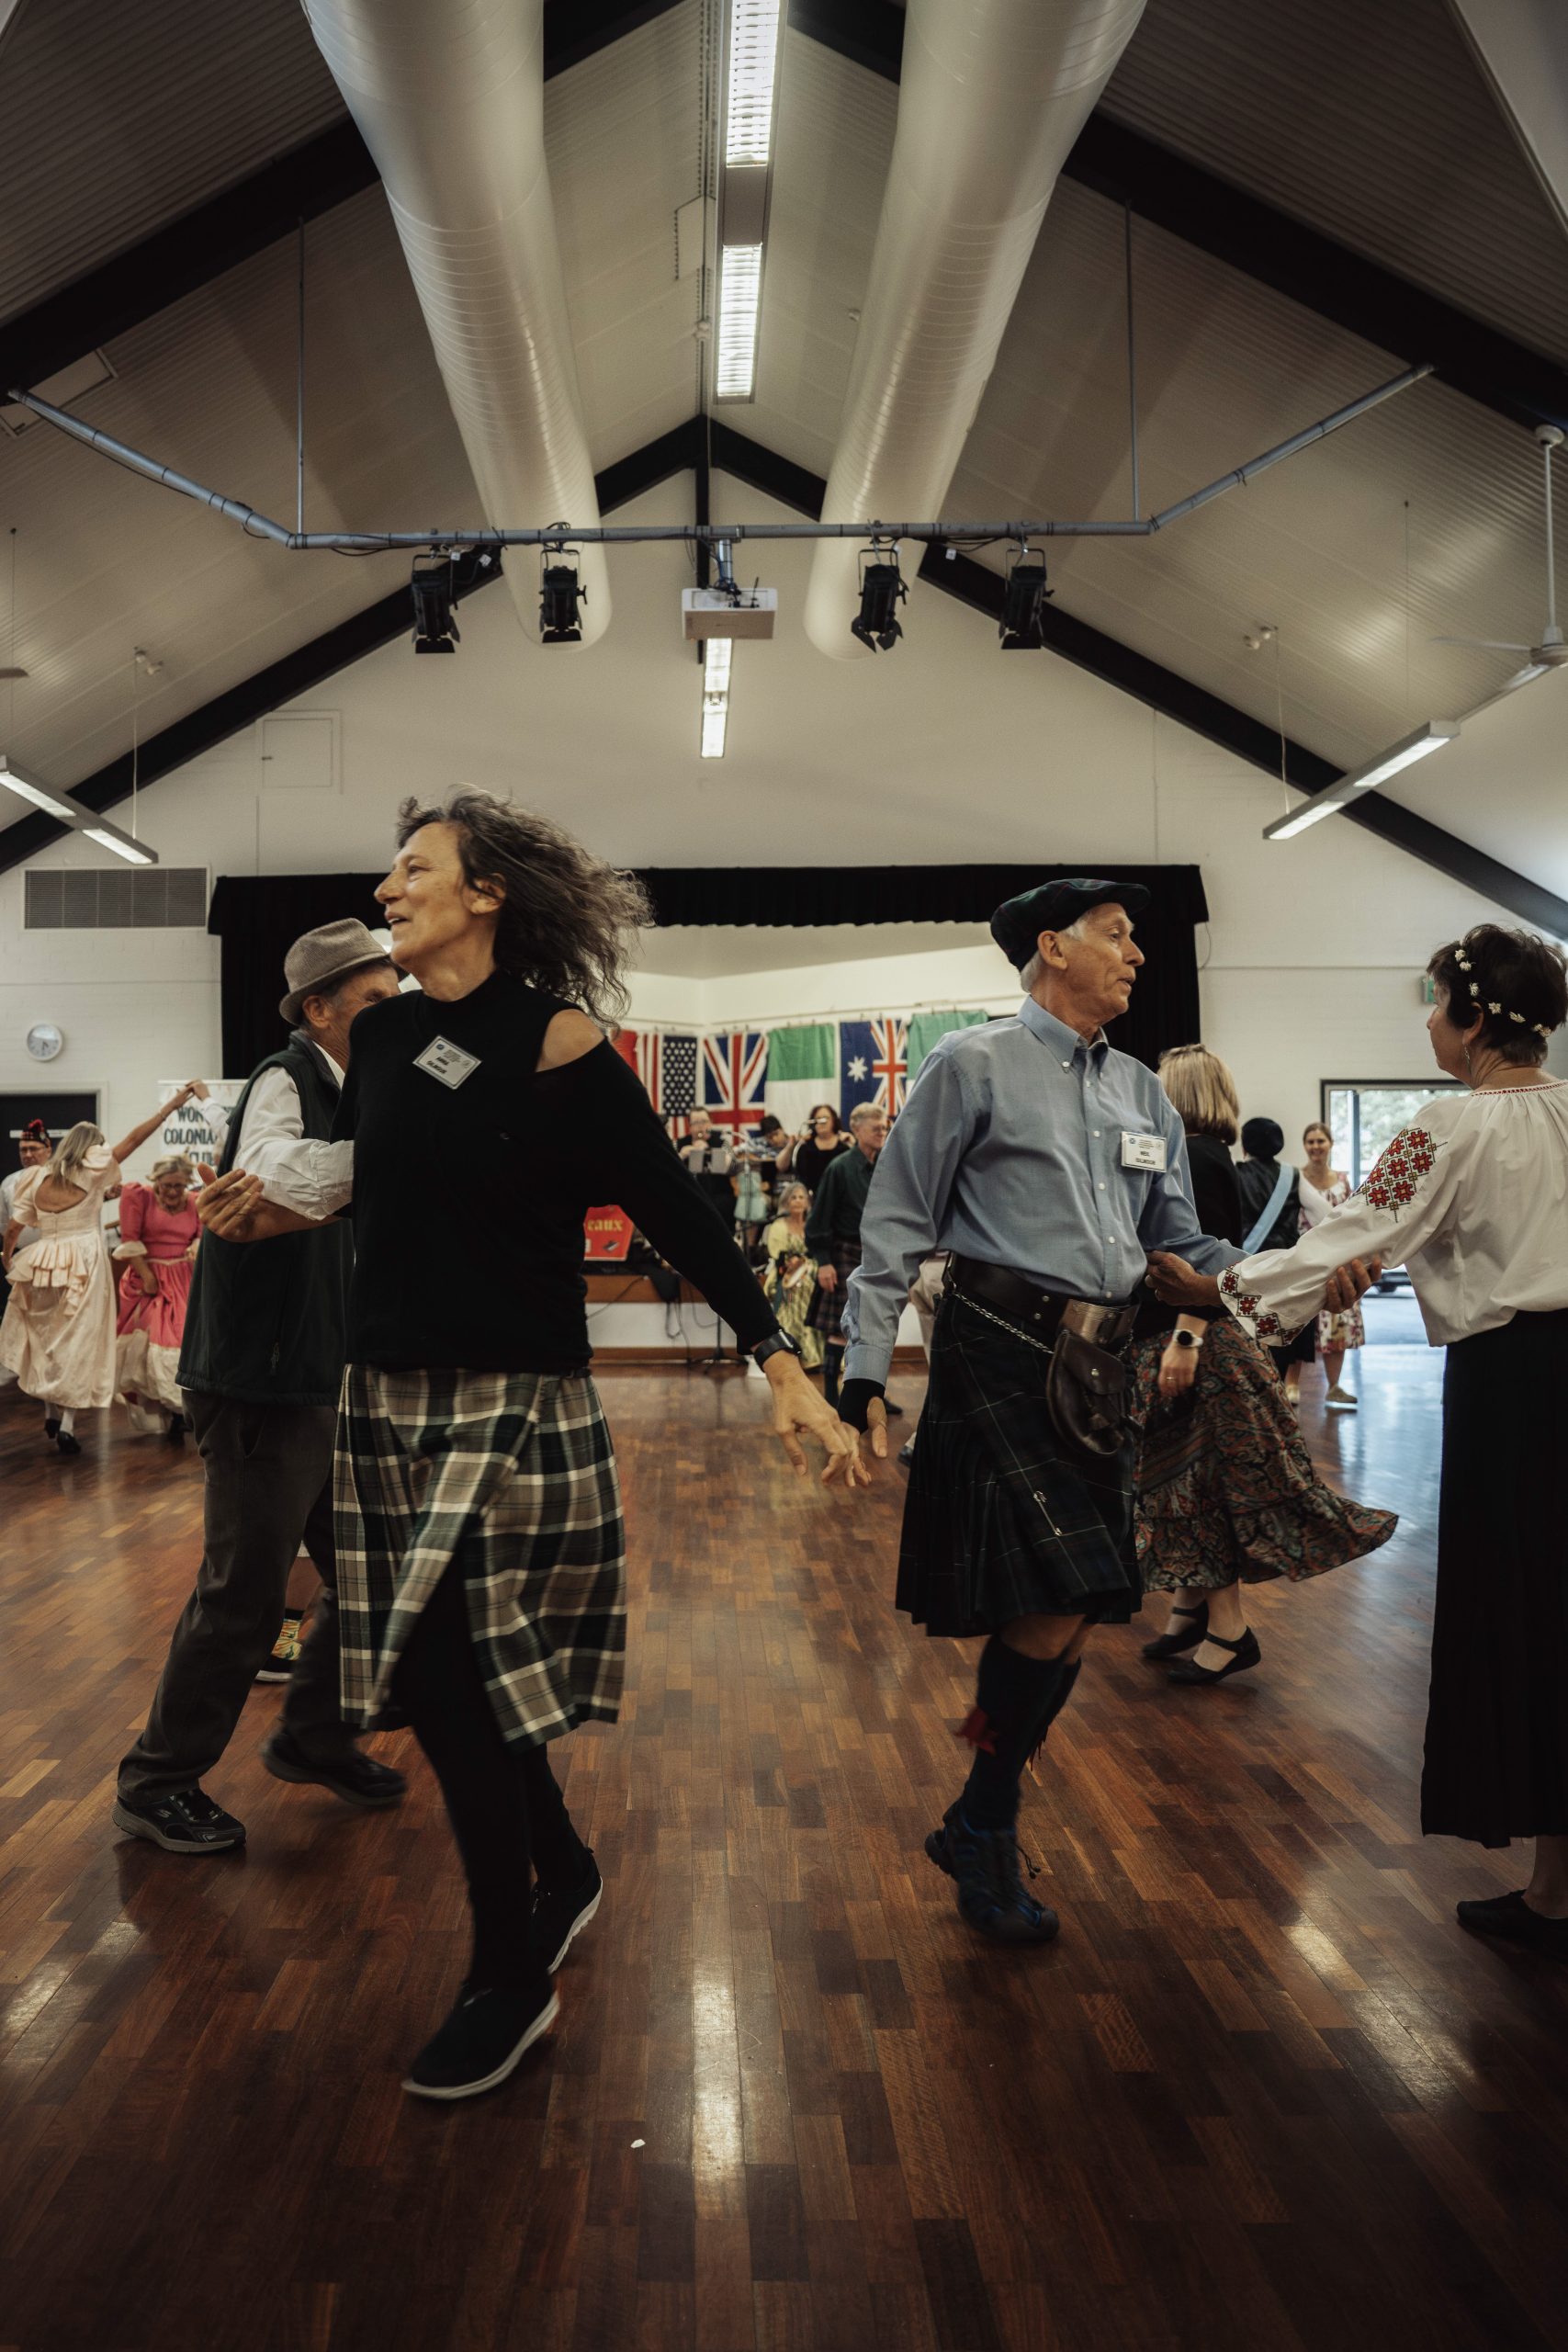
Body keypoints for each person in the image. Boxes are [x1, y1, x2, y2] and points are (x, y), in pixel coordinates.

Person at [196, 790, 862, 2100]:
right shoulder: (379, 1035)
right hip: (384, 1402)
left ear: (485, 891)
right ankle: (559, 1867)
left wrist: (782, 1366)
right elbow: (365, 1178)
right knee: (463, 1684)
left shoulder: (555, 1044)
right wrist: (272, 1213)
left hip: (513, 1405)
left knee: (444, 1683)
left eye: (412, 868)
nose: (387, 887)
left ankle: (508, 1971)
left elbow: (675, 1209)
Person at [835, 881, 1335, 1949]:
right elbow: (896, 1221)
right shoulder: (970, 1063)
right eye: (1118, 937)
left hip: (1102, 1359)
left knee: (1079, 1604)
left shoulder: (1143, 1093)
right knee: (1062, 1600)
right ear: (1050, 947)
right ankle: (988, 1815)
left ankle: (978, 1803)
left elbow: (1186, 1245)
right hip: (998, 1347)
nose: (1138, 956)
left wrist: (1286, 1277)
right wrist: (862, 1371)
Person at [1149, 922, 1568, 1962]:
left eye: (1436, 1005)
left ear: (1472, 1021)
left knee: (1521, 1613)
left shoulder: (1450, 1125)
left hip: (1516, 1392)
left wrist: (1221, 1288)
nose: (1430, 1022)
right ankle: (1558, 1886)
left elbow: (1353, 1232)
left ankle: (1558, 1891)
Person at [112, 920, 409, 1856]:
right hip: (260, 1383)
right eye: (371, 1005)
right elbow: (284, 1171)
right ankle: (156, 1780)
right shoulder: (288, 1081)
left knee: (372, 1572)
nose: (388, 1022)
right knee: (243, 1590)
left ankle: (314, 1729)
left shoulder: (361, 1090)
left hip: (323, 1378)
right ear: (319, 1010)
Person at [1132, 1046, 1396, 1684]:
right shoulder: (1202, 1155)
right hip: (1197, 1336)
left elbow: (1197, 1264)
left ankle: (1226, 1628)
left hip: (1193, 1340)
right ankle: (1189, 1609)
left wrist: (1186, 1338)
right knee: (1181, 1481)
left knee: (1199, 1483)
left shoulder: (1194, 1156)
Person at [1, 1091, 199, 1454]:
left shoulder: (33, 1179)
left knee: (46, 1336)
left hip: (42, 1259)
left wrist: (7, 1258)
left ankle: (49, 1408)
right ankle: (68, 1424)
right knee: (80, 1340)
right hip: (83, 1259)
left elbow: (13, 1228)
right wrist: (168, 1109)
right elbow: (135, 1139)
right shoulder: (90, 1171)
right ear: (92, 1149)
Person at [806, 1102, 900, 1414]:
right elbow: (818, 1221)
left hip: (876, 1255)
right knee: (838, 1329)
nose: (882, 1133)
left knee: (875, 1330)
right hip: (844, 1253)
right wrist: (824, 1261)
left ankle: (872, 1396)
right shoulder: (840, 1168)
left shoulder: (886, 1168)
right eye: (876, 1129)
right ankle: (832, 1396)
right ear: (856, 1129)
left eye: (885, 1128)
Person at [114, 1153, 201, 1440]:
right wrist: (149, 1277)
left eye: (179, 1186)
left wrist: (196, 1247)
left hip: (182, 1277)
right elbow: (129, 1241)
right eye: (167, 1186)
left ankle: (179, 1413)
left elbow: (199, 1236)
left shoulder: (196, 1202)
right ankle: (167, 1412)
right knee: (150, 1345)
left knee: (180, 1341)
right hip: (148, 1277)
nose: (173, 1192)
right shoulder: (139, 1197)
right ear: (157, 1182)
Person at [1235, 1116, 1314, 1400]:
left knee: (1247, 1342)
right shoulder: (1293, 1176)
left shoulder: (1235, 1173)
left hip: (1246, 1270)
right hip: (1284, 1273)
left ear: (1244, 1146)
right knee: (1278, 1342)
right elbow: (1326, 1214)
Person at [1299, 1120, 1363, 1408]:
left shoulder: (1342, 1181)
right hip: (1303, 1258)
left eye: (1320, 1141)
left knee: (1336, 1320)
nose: (1315, 1147)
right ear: (1305, 1146)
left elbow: (1350, 1218)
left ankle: (1334, 1386)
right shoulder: (1295, 1178)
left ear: (1330, 1144)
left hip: (1336, 1260)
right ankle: (1290, 1384)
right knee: (1297, 1322)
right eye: (1311, 1141)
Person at [0, 1117, 51, 1372]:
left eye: (33, 1149)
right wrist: (8, 1257)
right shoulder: (9, 1183)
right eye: (23, 1150)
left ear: (48, 1149)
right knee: (26, 1317)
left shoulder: (59, 1179)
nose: (28, 1155)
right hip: (24, 1260)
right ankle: (30, 1369)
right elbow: (5, 1225)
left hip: (57, 1259)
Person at [761, 1181, 822, 1368]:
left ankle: (821, 1354)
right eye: (793, 1197)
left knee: (818, 1284)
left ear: (808, 1202)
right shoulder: (778, 1226)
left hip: (811, 1266)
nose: (797, 1201)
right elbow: (777, 1254)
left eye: (801, 1197)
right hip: (785, 1269)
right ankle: (799, 1354)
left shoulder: (813, 1224)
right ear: (786, 1202)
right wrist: (793, 1264)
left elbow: (819, 1250)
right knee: (800, 1286)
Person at [779, 1102, 850, 1197]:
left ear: (833, 1121)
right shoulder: (805, 1147)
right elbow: (781, 1166)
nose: (821, 1122)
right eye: (818, 1119)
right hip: (811, 1198)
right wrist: (791, 1145)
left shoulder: (844, 1147)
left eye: (825, 1118)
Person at [677, 1109, 735, 1223]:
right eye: (695, 1123)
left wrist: (708, 1150)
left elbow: (732, 1167)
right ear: (689, 1126)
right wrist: (681, 1155)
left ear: (710, 1123)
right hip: (688, 1194)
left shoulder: (723, 1143)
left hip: (718, 1195)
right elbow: (668, 1167)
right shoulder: (679, 1143)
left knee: (722, 1205)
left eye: (703, 1121)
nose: (700, 1126)